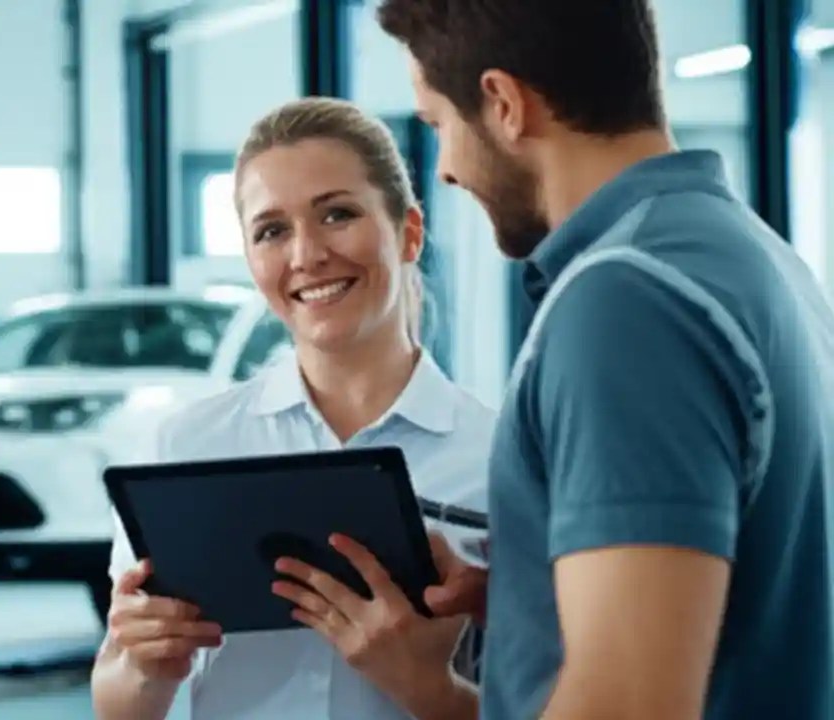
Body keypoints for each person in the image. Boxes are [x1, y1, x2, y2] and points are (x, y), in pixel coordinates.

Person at [327, 1, 834, 719]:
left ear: (502, 103)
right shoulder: (751, 258)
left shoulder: (626, 304)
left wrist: (432, 690)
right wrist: (522, 597)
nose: (443, 171)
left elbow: (628, 705)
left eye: (439, 125)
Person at [89, 97, 496, 720]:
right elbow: (117, 704)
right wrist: (145, 667)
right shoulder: (185, 448)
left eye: (337, 214)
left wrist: (426, 686)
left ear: (409, 232)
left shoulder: (499, 460)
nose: (306, 255)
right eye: (272, 230)